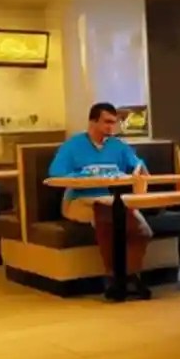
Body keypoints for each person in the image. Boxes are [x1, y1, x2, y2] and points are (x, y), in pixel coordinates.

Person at [49, 102, 154, 300]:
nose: (110, 127)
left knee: (143, 230)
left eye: (113, 123)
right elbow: (55, 173)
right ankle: (112, 277)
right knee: (107, 219)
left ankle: (129, 275)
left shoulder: (118, 146)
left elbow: (137, 164)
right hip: (79, 200)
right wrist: (85, 175)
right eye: (106, 122)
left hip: (111, 198)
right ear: (92, 121)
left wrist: (138, 169)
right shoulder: (73, 145)